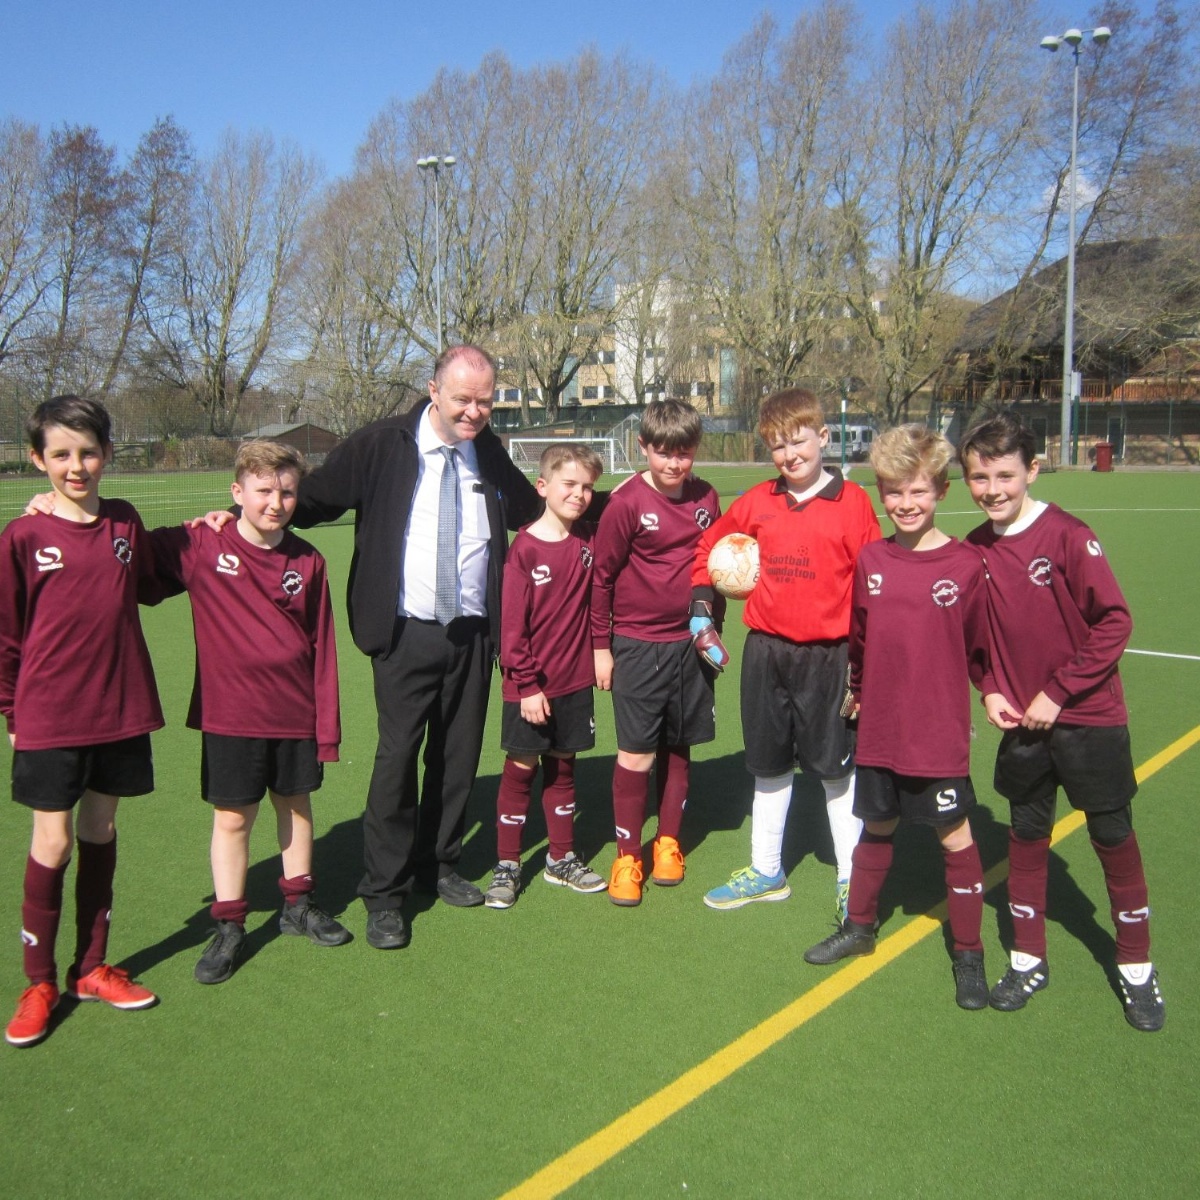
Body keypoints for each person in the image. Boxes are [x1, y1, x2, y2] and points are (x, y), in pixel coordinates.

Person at [232, 345, 560, 950]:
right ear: (433, 389)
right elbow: (313, 499)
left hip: (473, 630)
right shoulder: (381, 443)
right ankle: (383, 892)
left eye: (486, 401)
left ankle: (439, 865)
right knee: (397, 760)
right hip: (404, 631)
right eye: (463, 399)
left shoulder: (486, 449)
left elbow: (536, 509)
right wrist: (236, 517)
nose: (474, 412)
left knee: (457, 760)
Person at [959, 408, 1165, 1031]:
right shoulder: (974, 549)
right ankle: (1027, 957)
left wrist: (1059, 692)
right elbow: (974, 640)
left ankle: (1136, 967)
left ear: (1033, 471)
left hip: (1090, 720)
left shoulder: (1070, 537)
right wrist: (991, 688)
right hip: (1022, 727)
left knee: (1112, 839)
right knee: (1026, 837)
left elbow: (1115, 623)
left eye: (1004, 475)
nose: (992, 489)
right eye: (978, 477)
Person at [801, 425, 991, 1010]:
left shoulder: (965, 563)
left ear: (940, 491)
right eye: (893, 492)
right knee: (875, 826)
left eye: (918, 492)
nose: (905, 505)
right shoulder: (872, 559)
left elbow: (983, 648)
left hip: (936, 730)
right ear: (880, 493)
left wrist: (992, 695)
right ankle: (859, 927)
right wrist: (856, 689)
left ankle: (969, 952)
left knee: (955, 835)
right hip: (880, 726)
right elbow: (859, 639)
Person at [149, 441, 350, 984]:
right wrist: (49, 508)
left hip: (293, 714)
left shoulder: (308, 560)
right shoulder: (199, 544)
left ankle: (298, 905)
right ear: (237, 492)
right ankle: (230, 924)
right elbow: (118, 552)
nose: (276, 503)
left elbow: (322, 648)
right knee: (233, 818)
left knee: (297, 805)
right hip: (231, 715)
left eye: (286, 492)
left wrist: (325, 729)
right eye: (263, 491)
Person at [1, 396, 161, 1047]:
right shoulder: (24, 536)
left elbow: (156, 575)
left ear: (108, 454)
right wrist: (12, 708)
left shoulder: (124, 522)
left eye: (88, 452)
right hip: (49, 715)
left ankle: (89, 968)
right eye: (61, 454)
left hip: (119, 709)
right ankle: (38, 980)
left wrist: (218, 527)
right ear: (38, 459)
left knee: (100, 829)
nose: (76, 466)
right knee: (54, 843)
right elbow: (6, 633)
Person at [694, 389, 880, 918]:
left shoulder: (854, 504)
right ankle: (766, 869)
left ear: (823, 438)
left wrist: (869, 663)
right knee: (767, 763)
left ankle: (852, 878)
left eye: (797, 441)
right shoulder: (759, 500)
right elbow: (710, 548)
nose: (788, 455)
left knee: (835, 770)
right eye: (776, 446)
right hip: (767, 653)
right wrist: (701, 603)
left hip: (830, 657)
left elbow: (874, 583)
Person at [592, 399, 722, 906]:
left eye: (684, 453)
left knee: (679, 744)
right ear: (644, 447)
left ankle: (668, 842)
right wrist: (601, 649)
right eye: (663, 452)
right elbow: (600, 580)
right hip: (637, 644)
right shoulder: (625, 504)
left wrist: (713, 626)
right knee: (637, 752)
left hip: (691, 643)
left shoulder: (708, 497)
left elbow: (715, 562)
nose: (673, 463)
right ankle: (628, 855)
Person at [484, 443, 608, 909]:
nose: (579, 495)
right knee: (521, 769)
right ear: (543, 487)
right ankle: (508, 864)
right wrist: (528, 686)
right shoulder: (524, 550)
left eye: (587, 487)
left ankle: (561, 858)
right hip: (530, 687)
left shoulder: (587, 543)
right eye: (569, 485)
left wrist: (600, 651)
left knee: (564, 767)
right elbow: (512, 632)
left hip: (574, 683)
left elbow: (598, 606)